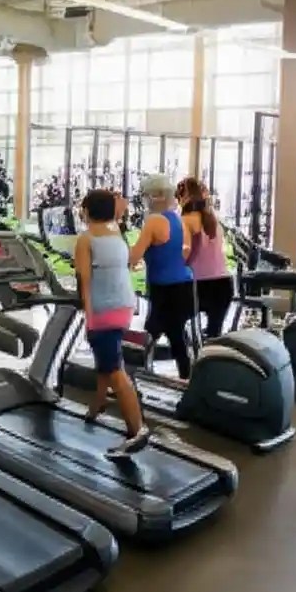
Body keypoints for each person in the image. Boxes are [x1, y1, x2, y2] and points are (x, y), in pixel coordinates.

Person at [74, 189, 151, 457]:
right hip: (124, 306)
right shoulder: (117, 236)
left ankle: (137, 429)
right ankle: (97, 406)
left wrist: (88, 318)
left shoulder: (86, 239)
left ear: (87, 211)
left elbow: (85, 282)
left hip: (103, 310)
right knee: (105, 359)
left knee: (115, 369)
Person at [129, 174, 197, 379]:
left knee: (157, 332)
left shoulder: (154, 221)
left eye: (145, 195)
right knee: (174, 334)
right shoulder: (178, 220)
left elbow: (134, 256)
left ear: (156, 196)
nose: (143, 200)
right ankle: (185, 376)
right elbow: (183, 252)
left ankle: (138, 376)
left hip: (165, 289)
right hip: (185, 284)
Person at [178, 177, 233, 338]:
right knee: (213, 335)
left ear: (183, 197)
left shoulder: (186, 220)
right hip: (224, 285)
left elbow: (185, 253)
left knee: (171, 321)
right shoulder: (214, 220)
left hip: (198, 286)